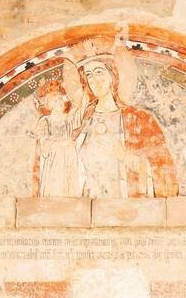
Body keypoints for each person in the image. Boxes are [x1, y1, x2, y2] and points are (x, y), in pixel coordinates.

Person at [75, 55, 177, 199]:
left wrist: (125, 157)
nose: (94, 80)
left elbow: (164, 170)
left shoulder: (139, 119)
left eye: (99, 72)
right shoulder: (80, 122)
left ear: (112, 75)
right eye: (88, 75)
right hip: (89, 204)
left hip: (127, 209)